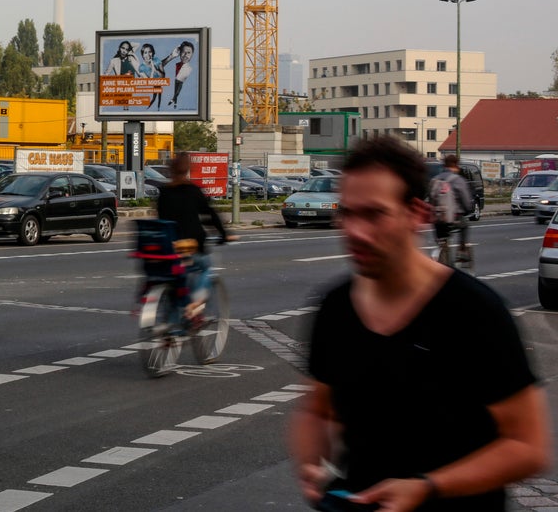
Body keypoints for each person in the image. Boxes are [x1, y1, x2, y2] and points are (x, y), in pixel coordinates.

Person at [290, 134, 549, 512]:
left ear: (417, 214)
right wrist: (312, 464)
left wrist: (427, 488)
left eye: (375, 214)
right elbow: (316, 410)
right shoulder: (336, 307)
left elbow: (528, 447)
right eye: (348, 213)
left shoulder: (473, 312)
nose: (355, 231)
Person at [155, 150, 232, 317]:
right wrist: (223, 233)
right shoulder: (193, 191)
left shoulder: (164, 193)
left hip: (169, 248)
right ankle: (195, 302)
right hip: (192, 246)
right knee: (206, 268)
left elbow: (161, 218)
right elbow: (209, 215)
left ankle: (169, 329)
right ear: (187, 169)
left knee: (176, 282)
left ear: (171, 170)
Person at [429, 153, 475, 264]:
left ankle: (441, 248)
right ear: (456, 165)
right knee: (464, 226)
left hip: (437, 220)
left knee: (442, 237)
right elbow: (466, 201)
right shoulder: (458, 180)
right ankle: (462, 251)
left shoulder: (435, 180)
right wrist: (468, 210)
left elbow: (430, 198)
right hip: (454, 218)